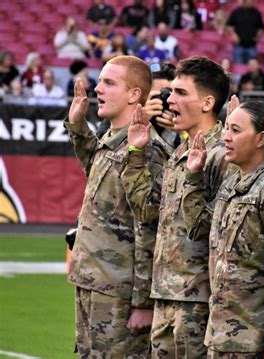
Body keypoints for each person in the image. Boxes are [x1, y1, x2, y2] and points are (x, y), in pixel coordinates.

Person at [126, 56, 231, 358]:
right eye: (171, 92)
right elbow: (148, 213)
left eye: (180, 93)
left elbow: (217, 232)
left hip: (199, 300)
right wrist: (135, 152)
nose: (169, 100)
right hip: (166, 295)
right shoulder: (180, 152)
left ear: (208, 102)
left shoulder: (224, 155)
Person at [65, 55, 166, 357]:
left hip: (119, 293)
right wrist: (77, 125)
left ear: (135, 95)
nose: (98, 89)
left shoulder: (146, 149)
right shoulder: (112, 140)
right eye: (100, 81)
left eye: (109, 83)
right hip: (93, 282)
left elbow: (149, 226)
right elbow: (97, 169)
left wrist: (143, 303)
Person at [182, 100, 264, 358]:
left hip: (254, 336)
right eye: (226, 129)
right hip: (221, 332)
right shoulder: (231, 184)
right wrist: (193, 178)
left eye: (236, 130)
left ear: (261, 138)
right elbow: (197, 227)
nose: (225, 137)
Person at [226, 0, 264, 64]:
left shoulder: (256, 13)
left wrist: (258, 36)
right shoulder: (236, 12)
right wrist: (234, 35)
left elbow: (261, 27)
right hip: (239, 45)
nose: (251, 2)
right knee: (238, 67)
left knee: (252, 67)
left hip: (252, 45)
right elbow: (229, 26)